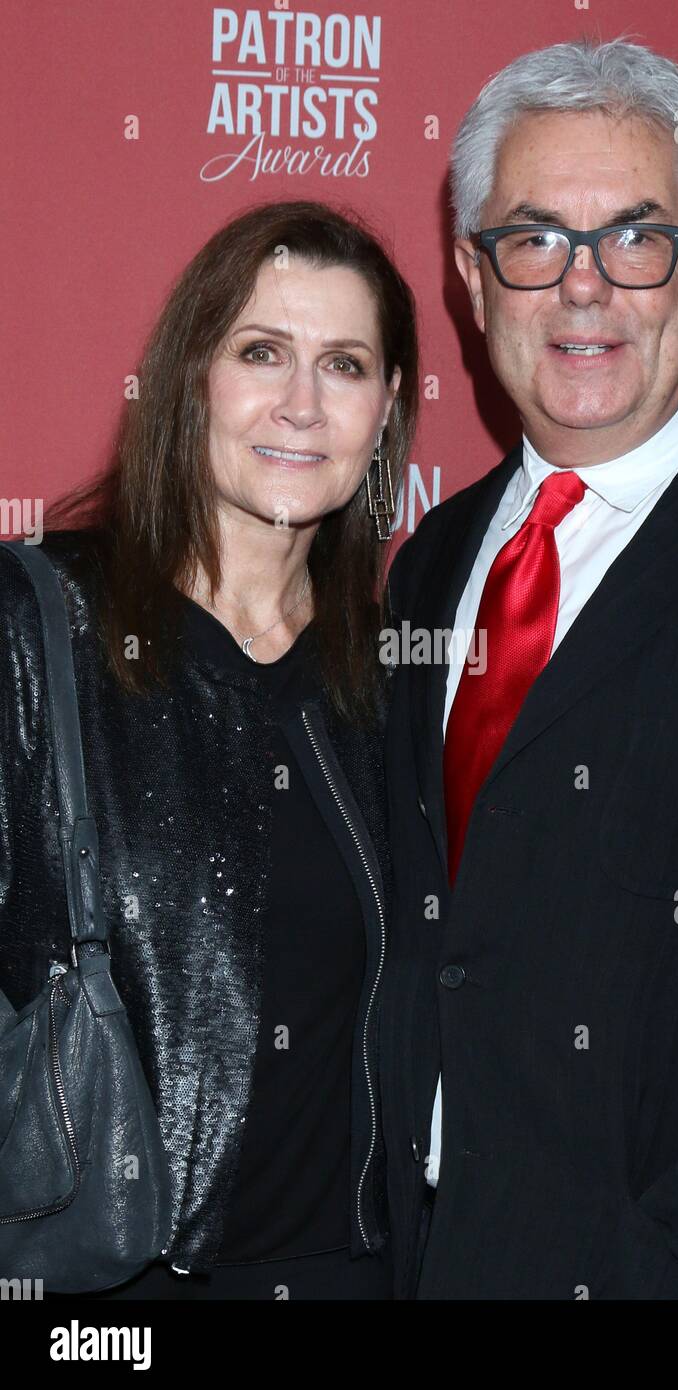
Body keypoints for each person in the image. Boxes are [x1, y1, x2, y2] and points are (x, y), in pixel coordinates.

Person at [380, 37, 678, 1300]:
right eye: (533, 238)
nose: (582, 290)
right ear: (469, 276)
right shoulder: (429, 561)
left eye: (635, 237)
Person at [0, 199, 418, 1299]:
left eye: (343, 364)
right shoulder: (38, 622)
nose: (300, 403)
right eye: (261, 351)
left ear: (385, 412)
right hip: (111, 1285)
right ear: (192, 378)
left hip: (352, 1274)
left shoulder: (394, 674)